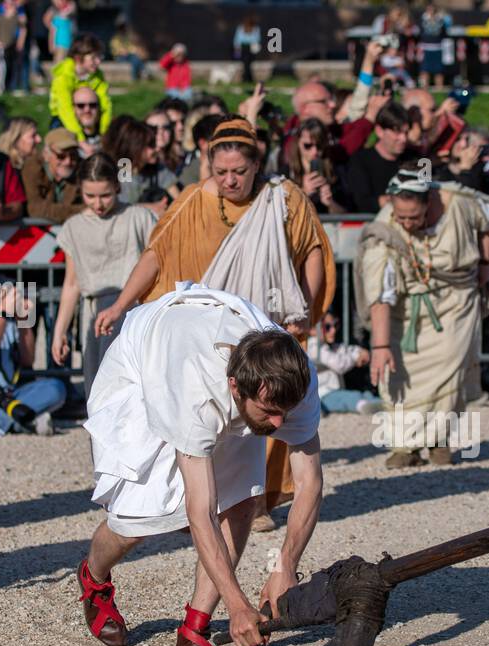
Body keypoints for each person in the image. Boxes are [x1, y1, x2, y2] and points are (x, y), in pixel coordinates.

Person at [94, 117, 336, 532]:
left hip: (272, 327)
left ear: (256, 166)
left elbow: (312, 248)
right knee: (211, 416)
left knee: (270, 411)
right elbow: (156, 253)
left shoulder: (284, 198)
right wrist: (121, 304)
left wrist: (307, 313)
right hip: (211, 337)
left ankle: (256, 503)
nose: (229, 180)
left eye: (239, 172)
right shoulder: (192, 200)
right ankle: (205, 504)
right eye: (220, 172)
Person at [76, 290, 323, 646]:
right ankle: (94, 577)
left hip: (212, 360)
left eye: (284, 413)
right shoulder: (194, 392)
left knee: (242, 501)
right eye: (270, 413)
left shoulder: (295, 381)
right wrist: (238, 604)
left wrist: (285, 566)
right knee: (140, 520)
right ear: (235, 388)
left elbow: (309, 482)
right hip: (147, 362)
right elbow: (200, 511)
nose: (279, 425)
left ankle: (193, 634)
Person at [358, 168, 489, 467]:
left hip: (455, 303)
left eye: (414, 217)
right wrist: (381, 346)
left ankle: (439, 441)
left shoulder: (460, 202)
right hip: (405, 308)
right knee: (399, 375)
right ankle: (404, 446)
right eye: (402, 217)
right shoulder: (383, 230)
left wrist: (486, 263)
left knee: (450, 368)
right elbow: (380, 293)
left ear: (429, 202)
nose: (407, 224)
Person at [52, 152, 158, 397]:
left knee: (131, 388)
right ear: (80, 190)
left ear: (117, 187)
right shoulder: (74, 227)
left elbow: (156, 264)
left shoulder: (139, 218)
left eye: (105, 195)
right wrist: (60, 332)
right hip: (93, 312)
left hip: (133, 308)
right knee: (97, 388)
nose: (98, 204)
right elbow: (72, 283)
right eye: (90, 196)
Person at [0, 278, 64, 436]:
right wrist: (3, 313)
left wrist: (23, 322)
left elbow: (28, 359)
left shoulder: (7, 322)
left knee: (56, 388)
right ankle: (22, 422)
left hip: (6, 396)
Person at [341, 103, 415, 214]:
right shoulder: (360, 161)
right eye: (397, 132)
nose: (403, 138)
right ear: (379, 131)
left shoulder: (417, 159)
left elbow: (429, 192)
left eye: (406, 132)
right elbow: (362, 203)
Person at [101, 115, 177, 214]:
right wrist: (149, 207)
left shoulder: (157, 169)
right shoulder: (124, 168)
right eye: (150, 145)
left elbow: (180, 198)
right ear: (136, 147)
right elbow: (118, 207)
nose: (157, 149)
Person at [308, 312, 379, 414]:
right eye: (327, 327)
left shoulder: (328, 345)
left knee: (363, 394)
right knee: (349, 398)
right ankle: (364, 406)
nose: (333, 330)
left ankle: (382, 404)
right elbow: (339, 364)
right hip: (322, 395)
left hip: (335, 391)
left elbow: (346, 350)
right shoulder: (313, 346)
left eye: (335, 325)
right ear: (313, 330)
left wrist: (360, 352)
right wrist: (356, 358)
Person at [49, 34, 110, 139]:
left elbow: (105, 105)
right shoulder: (63, 77)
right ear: (78, 58)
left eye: (100, 57)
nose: (98, 62)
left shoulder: (97, 76)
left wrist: (104, 132)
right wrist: (80, 139)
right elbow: (65, 109)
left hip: (90, 118)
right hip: (63, 119)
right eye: (93, 58)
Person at [283, 118, 349, 214]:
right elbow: (280, 215)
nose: (315, 152)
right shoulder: (285, 174)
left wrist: (330, 203)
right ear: (297, 143)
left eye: (319, 146)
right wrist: (303, 193)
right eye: (308, 145)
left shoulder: (337, 172)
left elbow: (348, 215)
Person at [21, 126, 82, 223]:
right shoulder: (32, 169)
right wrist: (79, 211)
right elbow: (35, 209)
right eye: (61, 156)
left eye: (73, 155)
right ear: (46, 155)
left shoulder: (82, 170)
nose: (68, 161)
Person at [0, 1, 27, 95]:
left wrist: (20, 42)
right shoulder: (0, 17)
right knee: (3, 67)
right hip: (2, 46)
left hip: (13, 46)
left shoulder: (18, 17)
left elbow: (23, 29)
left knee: (13, 66)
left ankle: (11, 86)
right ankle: (2, 86)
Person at [418, 4, 453, 89]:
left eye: (432, 10)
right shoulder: (422, 20)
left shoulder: (441, 20)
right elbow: (420, 32)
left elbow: (445, 32)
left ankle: (439, 88)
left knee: (439, 71)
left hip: (437, 48)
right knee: (424, 70)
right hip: (426, 48)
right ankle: (424, 88)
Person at [110, 15, 148, 83]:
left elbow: (131, 47)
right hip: (119, 57)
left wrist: (135, 51)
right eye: (122, 28)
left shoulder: (126, 38)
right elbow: (118, 51)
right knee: (135, 59)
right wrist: (129, 51)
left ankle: (140, 74)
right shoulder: (115, 38)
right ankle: (139, 74)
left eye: (124, 28)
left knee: (136, 59)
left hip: (129, 56)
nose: (124, 30)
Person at [68, 86, 103, 156]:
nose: (87, 110)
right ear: (73, 109)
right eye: (81, 105)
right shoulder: (65, 140)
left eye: (92, 105)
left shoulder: (111, 137)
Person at [234, 16, 262, 85]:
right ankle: (247, 78)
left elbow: (257, 39)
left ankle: (247, 78)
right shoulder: (241, 28)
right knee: (246, 63)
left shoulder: (255, 28)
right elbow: (238, 39)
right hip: (244, 47)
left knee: (248, 63)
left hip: (251, 47)